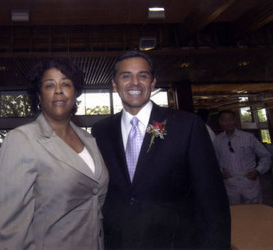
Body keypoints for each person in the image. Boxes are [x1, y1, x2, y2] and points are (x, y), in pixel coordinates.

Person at [91, 51, 230, 249]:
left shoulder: (186, 126)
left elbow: (211, 199)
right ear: (114, 84)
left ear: (153, 82)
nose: (135, 82)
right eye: (126, 76)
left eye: (143, 75)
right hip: (117, 242)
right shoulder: (101, 130)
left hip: (173, 242)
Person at [0, 58, 109, 250]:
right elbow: (9, 228)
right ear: (39, 95)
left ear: (75, 92)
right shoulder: (21, 140)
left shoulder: (89, 140)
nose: (58, 90)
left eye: (66, 84)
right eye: (49, 85)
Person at [213, 110, 271, 205]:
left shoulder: (248, 137)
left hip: (249, 180)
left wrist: (258, 171)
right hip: (229, 182)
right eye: (224, 120)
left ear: (235, 120)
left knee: (255, 211)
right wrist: (220, 172)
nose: (228, 123)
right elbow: (214, 161)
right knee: (235, 213)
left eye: (230, 119)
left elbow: (265, 156)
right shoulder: (217, 141)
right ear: (220, 122)